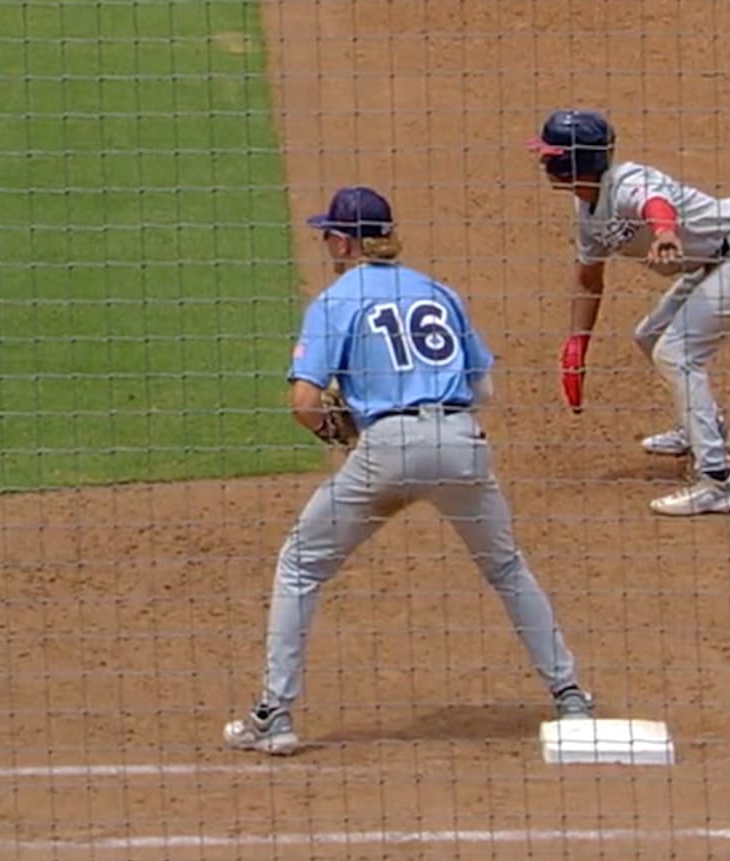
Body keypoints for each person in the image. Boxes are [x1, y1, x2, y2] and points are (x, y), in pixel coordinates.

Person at [223, 186, 596, 756]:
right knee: (505, 567)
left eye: (328, 233)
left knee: (300, 565)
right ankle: (570, 694)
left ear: (344, 241)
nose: (326, 242)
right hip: (461, 441)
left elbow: (303, 403)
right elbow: (482, 386)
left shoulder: (336, 300)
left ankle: (274, 714)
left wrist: (338, 433)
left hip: (388, 447)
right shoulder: (437, 291)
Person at [527, 108, 730, 516]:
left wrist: (665, 232)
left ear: (570, 163)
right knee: (650, 336)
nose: (541, 160)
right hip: (714, 262)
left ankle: (717, 480)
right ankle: (703, 428)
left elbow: (655, 203)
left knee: (677, 353)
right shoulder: (587, 209)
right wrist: (576, 347)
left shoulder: (627, 181)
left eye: (548, 154)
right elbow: (588, 278)